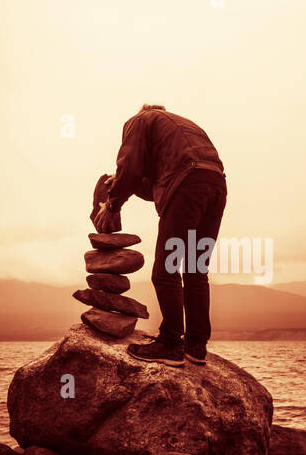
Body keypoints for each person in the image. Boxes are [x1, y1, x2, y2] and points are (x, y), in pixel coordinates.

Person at [92, 104, 226, 366]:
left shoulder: (141, 119)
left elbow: (130, 168)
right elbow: (158, 186)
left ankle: (171, 343)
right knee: (196, 269)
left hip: (187, 183)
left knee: (165, 271)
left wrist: (112, 204)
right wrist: (122, 186)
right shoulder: (180, 128)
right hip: (215, 185)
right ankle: (196, 347)